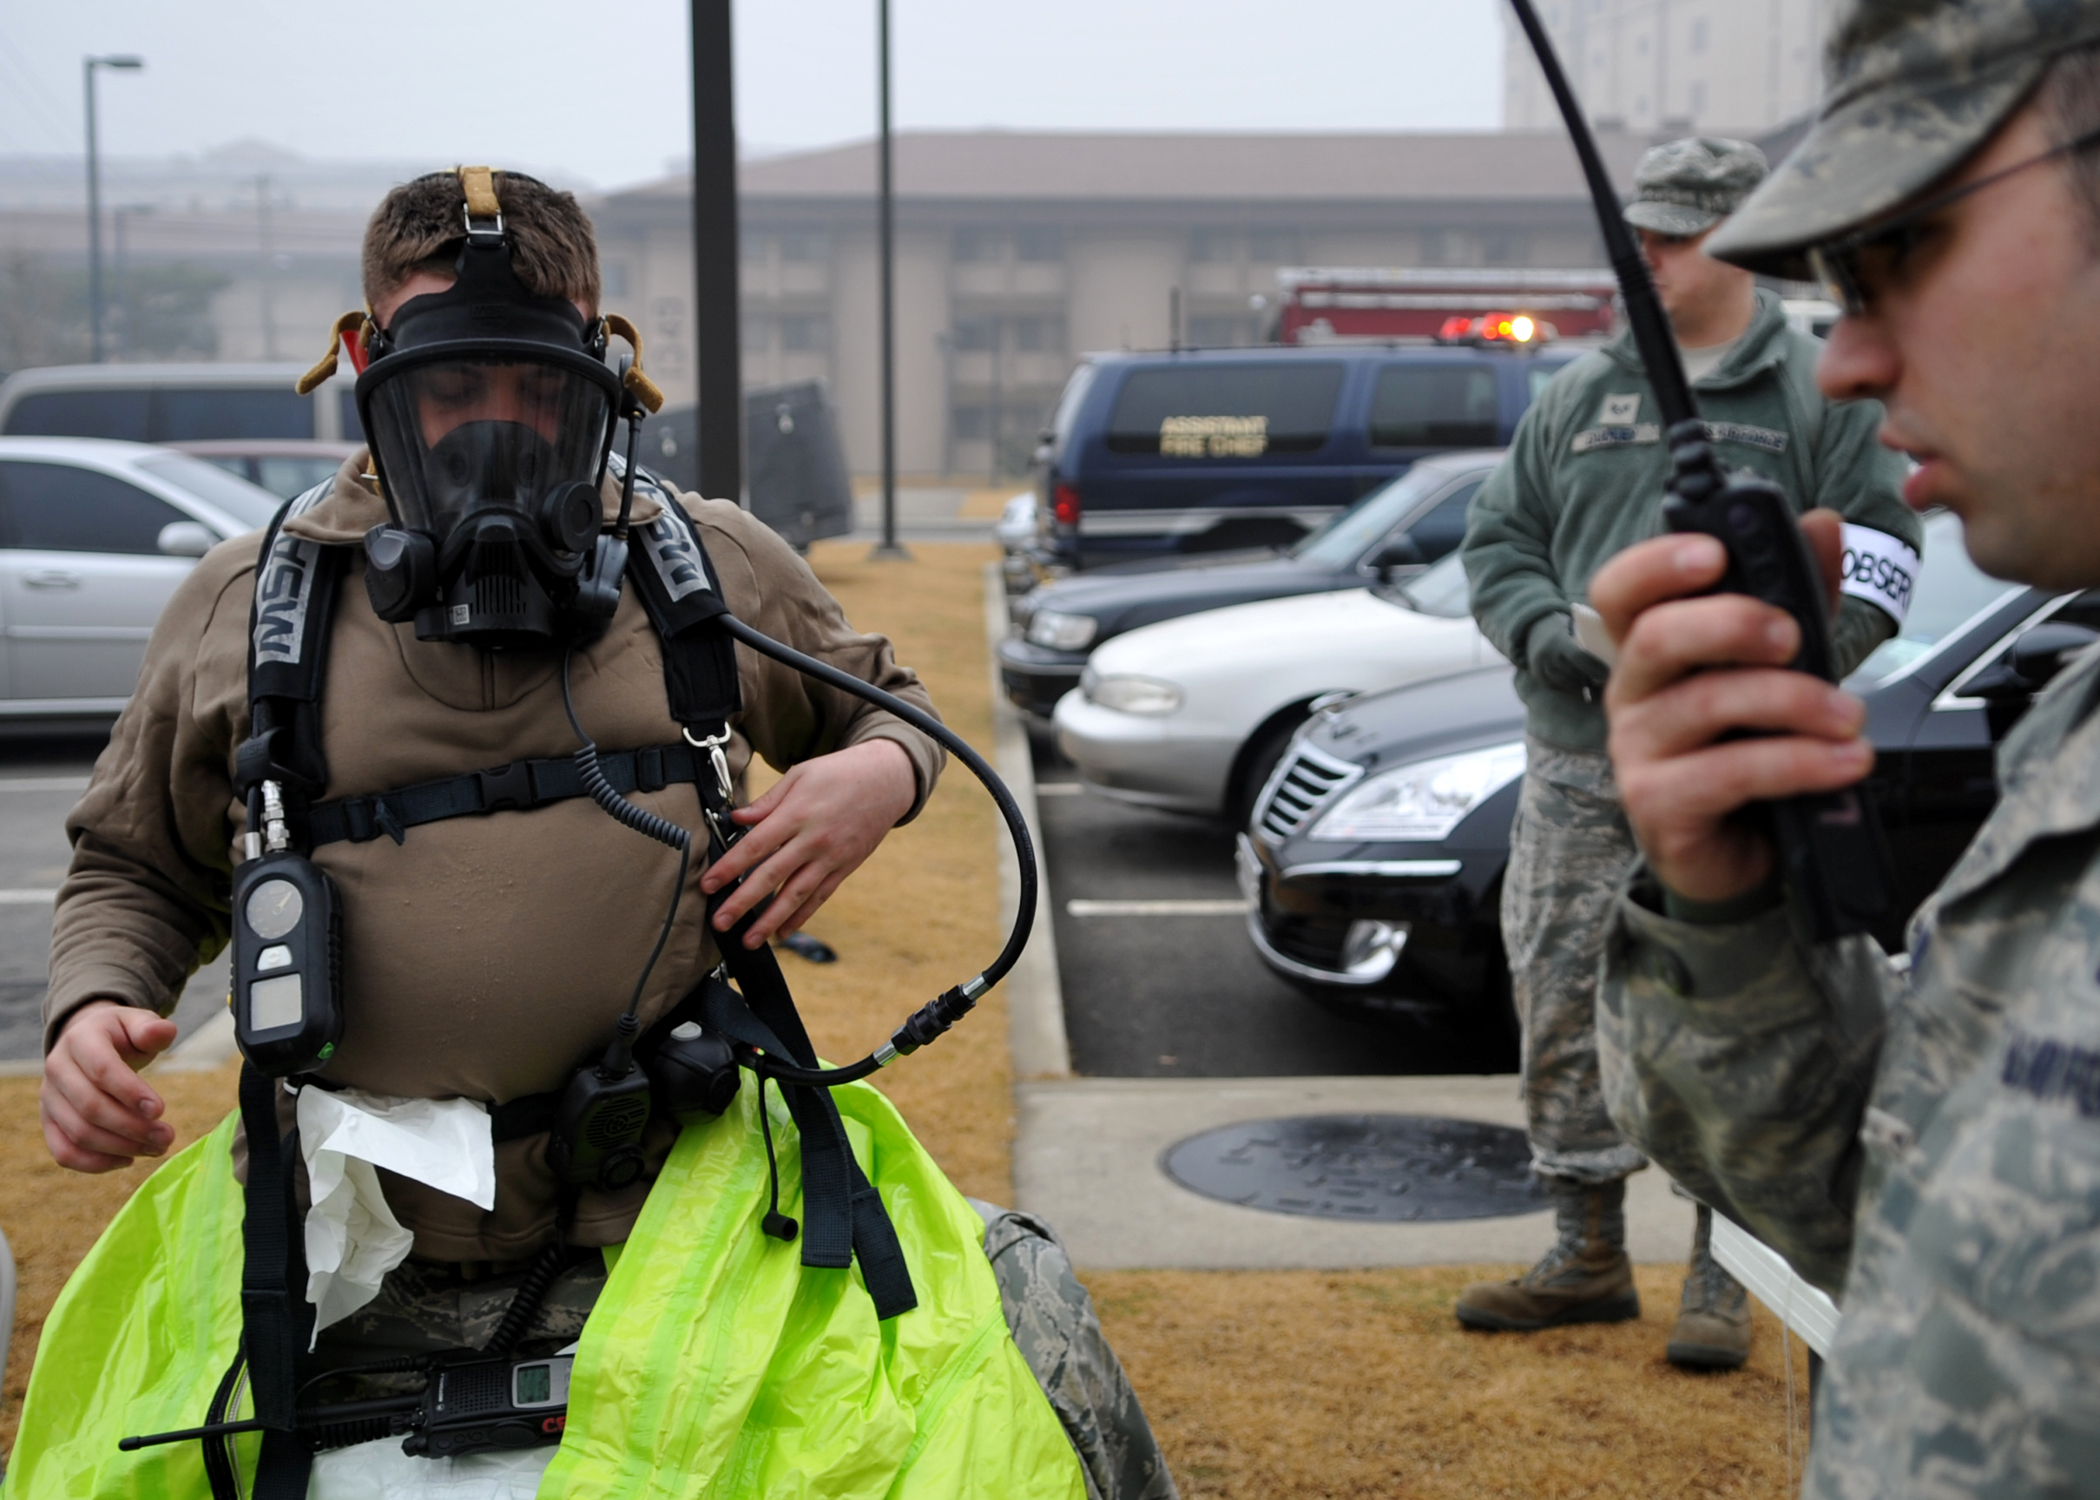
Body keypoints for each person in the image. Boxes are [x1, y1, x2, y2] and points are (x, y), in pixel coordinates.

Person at [12, 168, 1175, 1500]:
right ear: (363, 362)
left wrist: (879, 779)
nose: (495, 436)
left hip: (690, 1205)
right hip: (353, 1243)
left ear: (605, 367)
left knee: (1029, 1349)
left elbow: (892, 709)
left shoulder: (703, 566)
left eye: (540, 394)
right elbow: (131, 866)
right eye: (452, 393)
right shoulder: (246, 606)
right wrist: (92, 1011)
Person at [1589, 0, 2100, 1488]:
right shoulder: (2077, 724)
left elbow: (1867, 550)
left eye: (1899, 258)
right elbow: (1917, 1242)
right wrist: (1732, 910)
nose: (1844, 363)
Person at [1457, 135, 1922, 1367]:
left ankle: (1726, 1269)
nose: (1645, 257)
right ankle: (1586, 1249)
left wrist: (1796, 668)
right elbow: (1497, 541)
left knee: (1738, 997)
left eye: (1671, 233)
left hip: (1738, 773)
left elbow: (1880, 547)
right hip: (1577, 764)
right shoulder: (1580, 394)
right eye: (1639, 234)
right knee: (1559, 1001)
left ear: (1736, 238)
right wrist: (1550, 635)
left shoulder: (1821, 390)